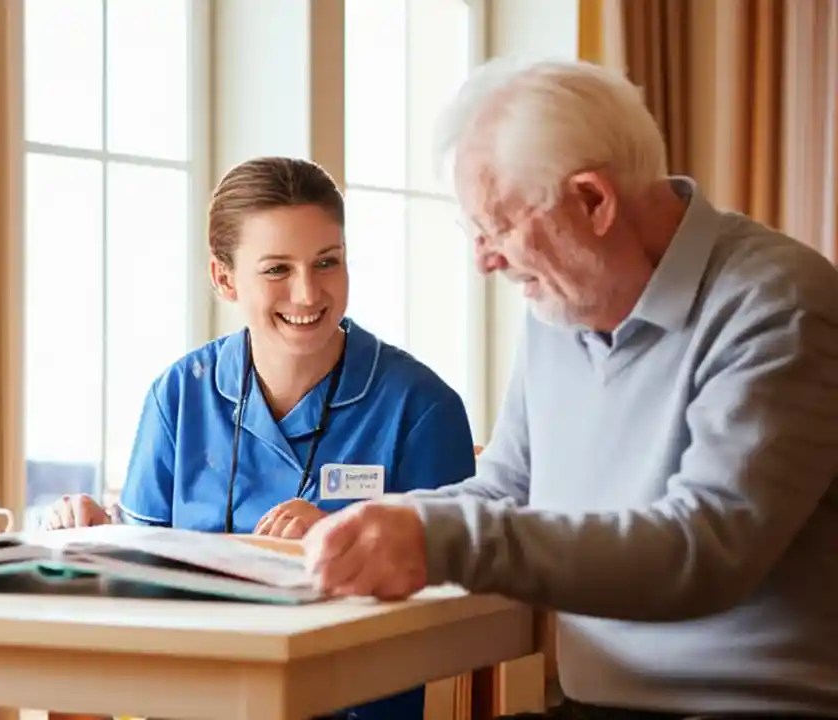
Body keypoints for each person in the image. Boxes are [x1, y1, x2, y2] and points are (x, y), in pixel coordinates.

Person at [304, 59, 838, 719]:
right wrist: (372, 532)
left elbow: (704, 548)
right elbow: (504, 487)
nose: (484, 260)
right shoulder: (559, 308)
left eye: (497, 227)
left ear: (593, 200)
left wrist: (438, 538)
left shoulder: (779, 301)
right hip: (593, 702)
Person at [46, 156, 478, 719]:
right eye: (277, 269)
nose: (307, 294)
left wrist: (355, 550)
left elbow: (465, 591)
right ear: (224, 278)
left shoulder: (421, 409)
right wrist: (98, 539)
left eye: (327, 262)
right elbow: (142, 577)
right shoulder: (178, 395)